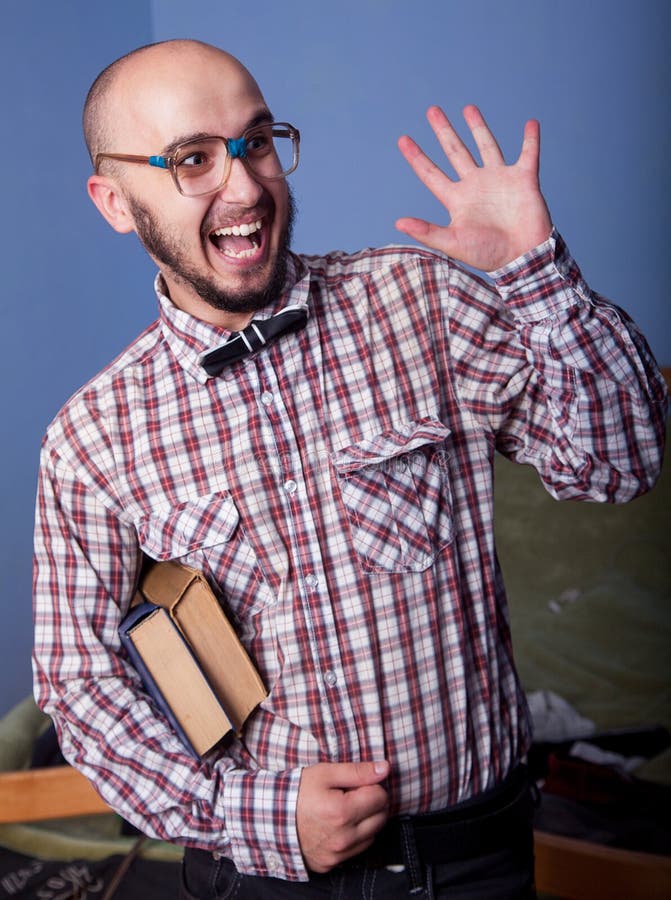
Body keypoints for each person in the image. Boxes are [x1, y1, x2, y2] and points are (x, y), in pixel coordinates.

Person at [32, 38, 667, 900]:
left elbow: (620, 463)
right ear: (115, 202)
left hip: (473, 859)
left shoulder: (420, 301)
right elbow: (78, 683)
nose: (246, 186)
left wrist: (535, 272)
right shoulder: (92, 437)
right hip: (260, 873)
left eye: (256, 142)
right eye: (191, 159)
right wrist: (246, 815)